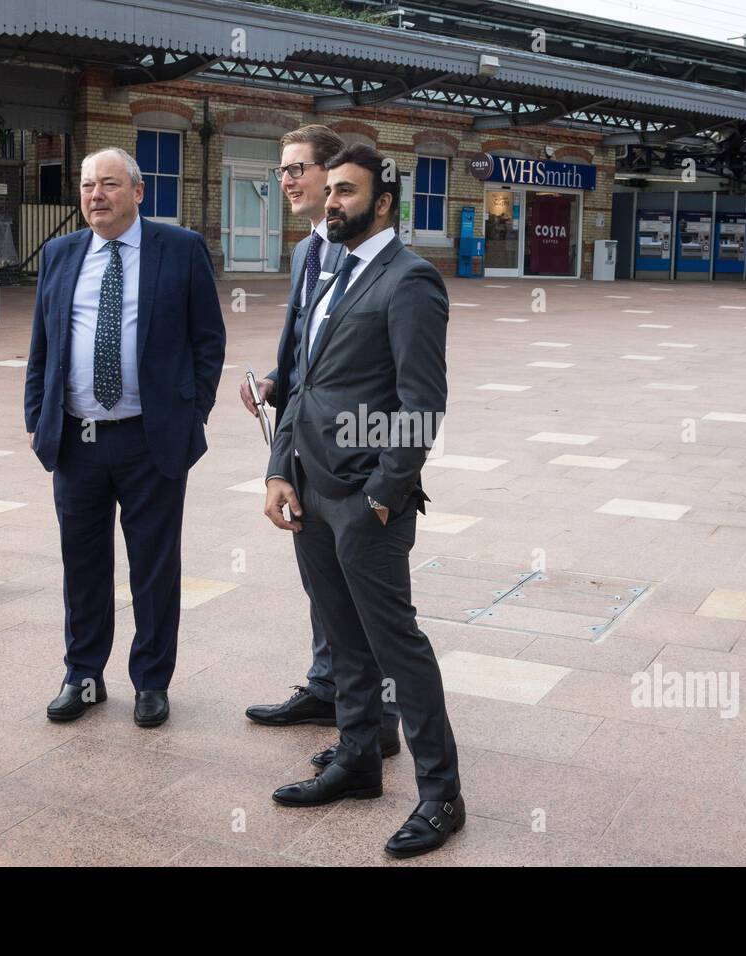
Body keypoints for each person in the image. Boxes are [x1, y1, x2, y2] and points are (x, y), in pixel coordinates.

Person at [262, 144, 464, 858]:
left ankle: (442, 796)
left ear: (382, 202)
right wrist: (279, 467)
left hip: (367, 499)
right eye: (331, 190)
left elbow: (422, 401)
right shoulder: (328, 270)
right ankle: (356, 760)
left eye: (346, 191)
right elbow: (302, 380)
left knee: (394, 645)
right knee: (341, 636)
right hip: (309, 486)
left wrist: (384, 492)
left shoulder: (410, 280)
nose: (330, 201)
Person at [25, 147, 226, 728]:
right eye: (87, 185)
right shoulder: (60, 254)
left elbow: (207, 340)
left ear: (138, 192)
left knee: (154, 568)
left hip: (150, 440)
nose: (95, 196)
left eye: (109, 184)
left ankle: (152, 683)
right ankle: (83, 676)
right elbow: (43, 345)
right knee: (82, 565)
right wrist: (38, 415)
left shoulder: (180, 250)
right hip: (76, 442)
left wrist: (193, 413)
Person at [240, 125, 402, 767]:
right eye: (282, 170)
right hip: (304, 440)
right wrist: (279, 382)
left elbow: (401, 383)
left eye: (300, 169)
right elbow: (307, 345)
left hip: (353, 460)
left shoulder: (359, 251)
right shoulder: (308, 250)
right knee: (325, 586)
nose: (290, 182)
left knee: (363, 597)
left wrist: (387, 489)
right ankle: (328, 687)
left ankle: (378, 720)